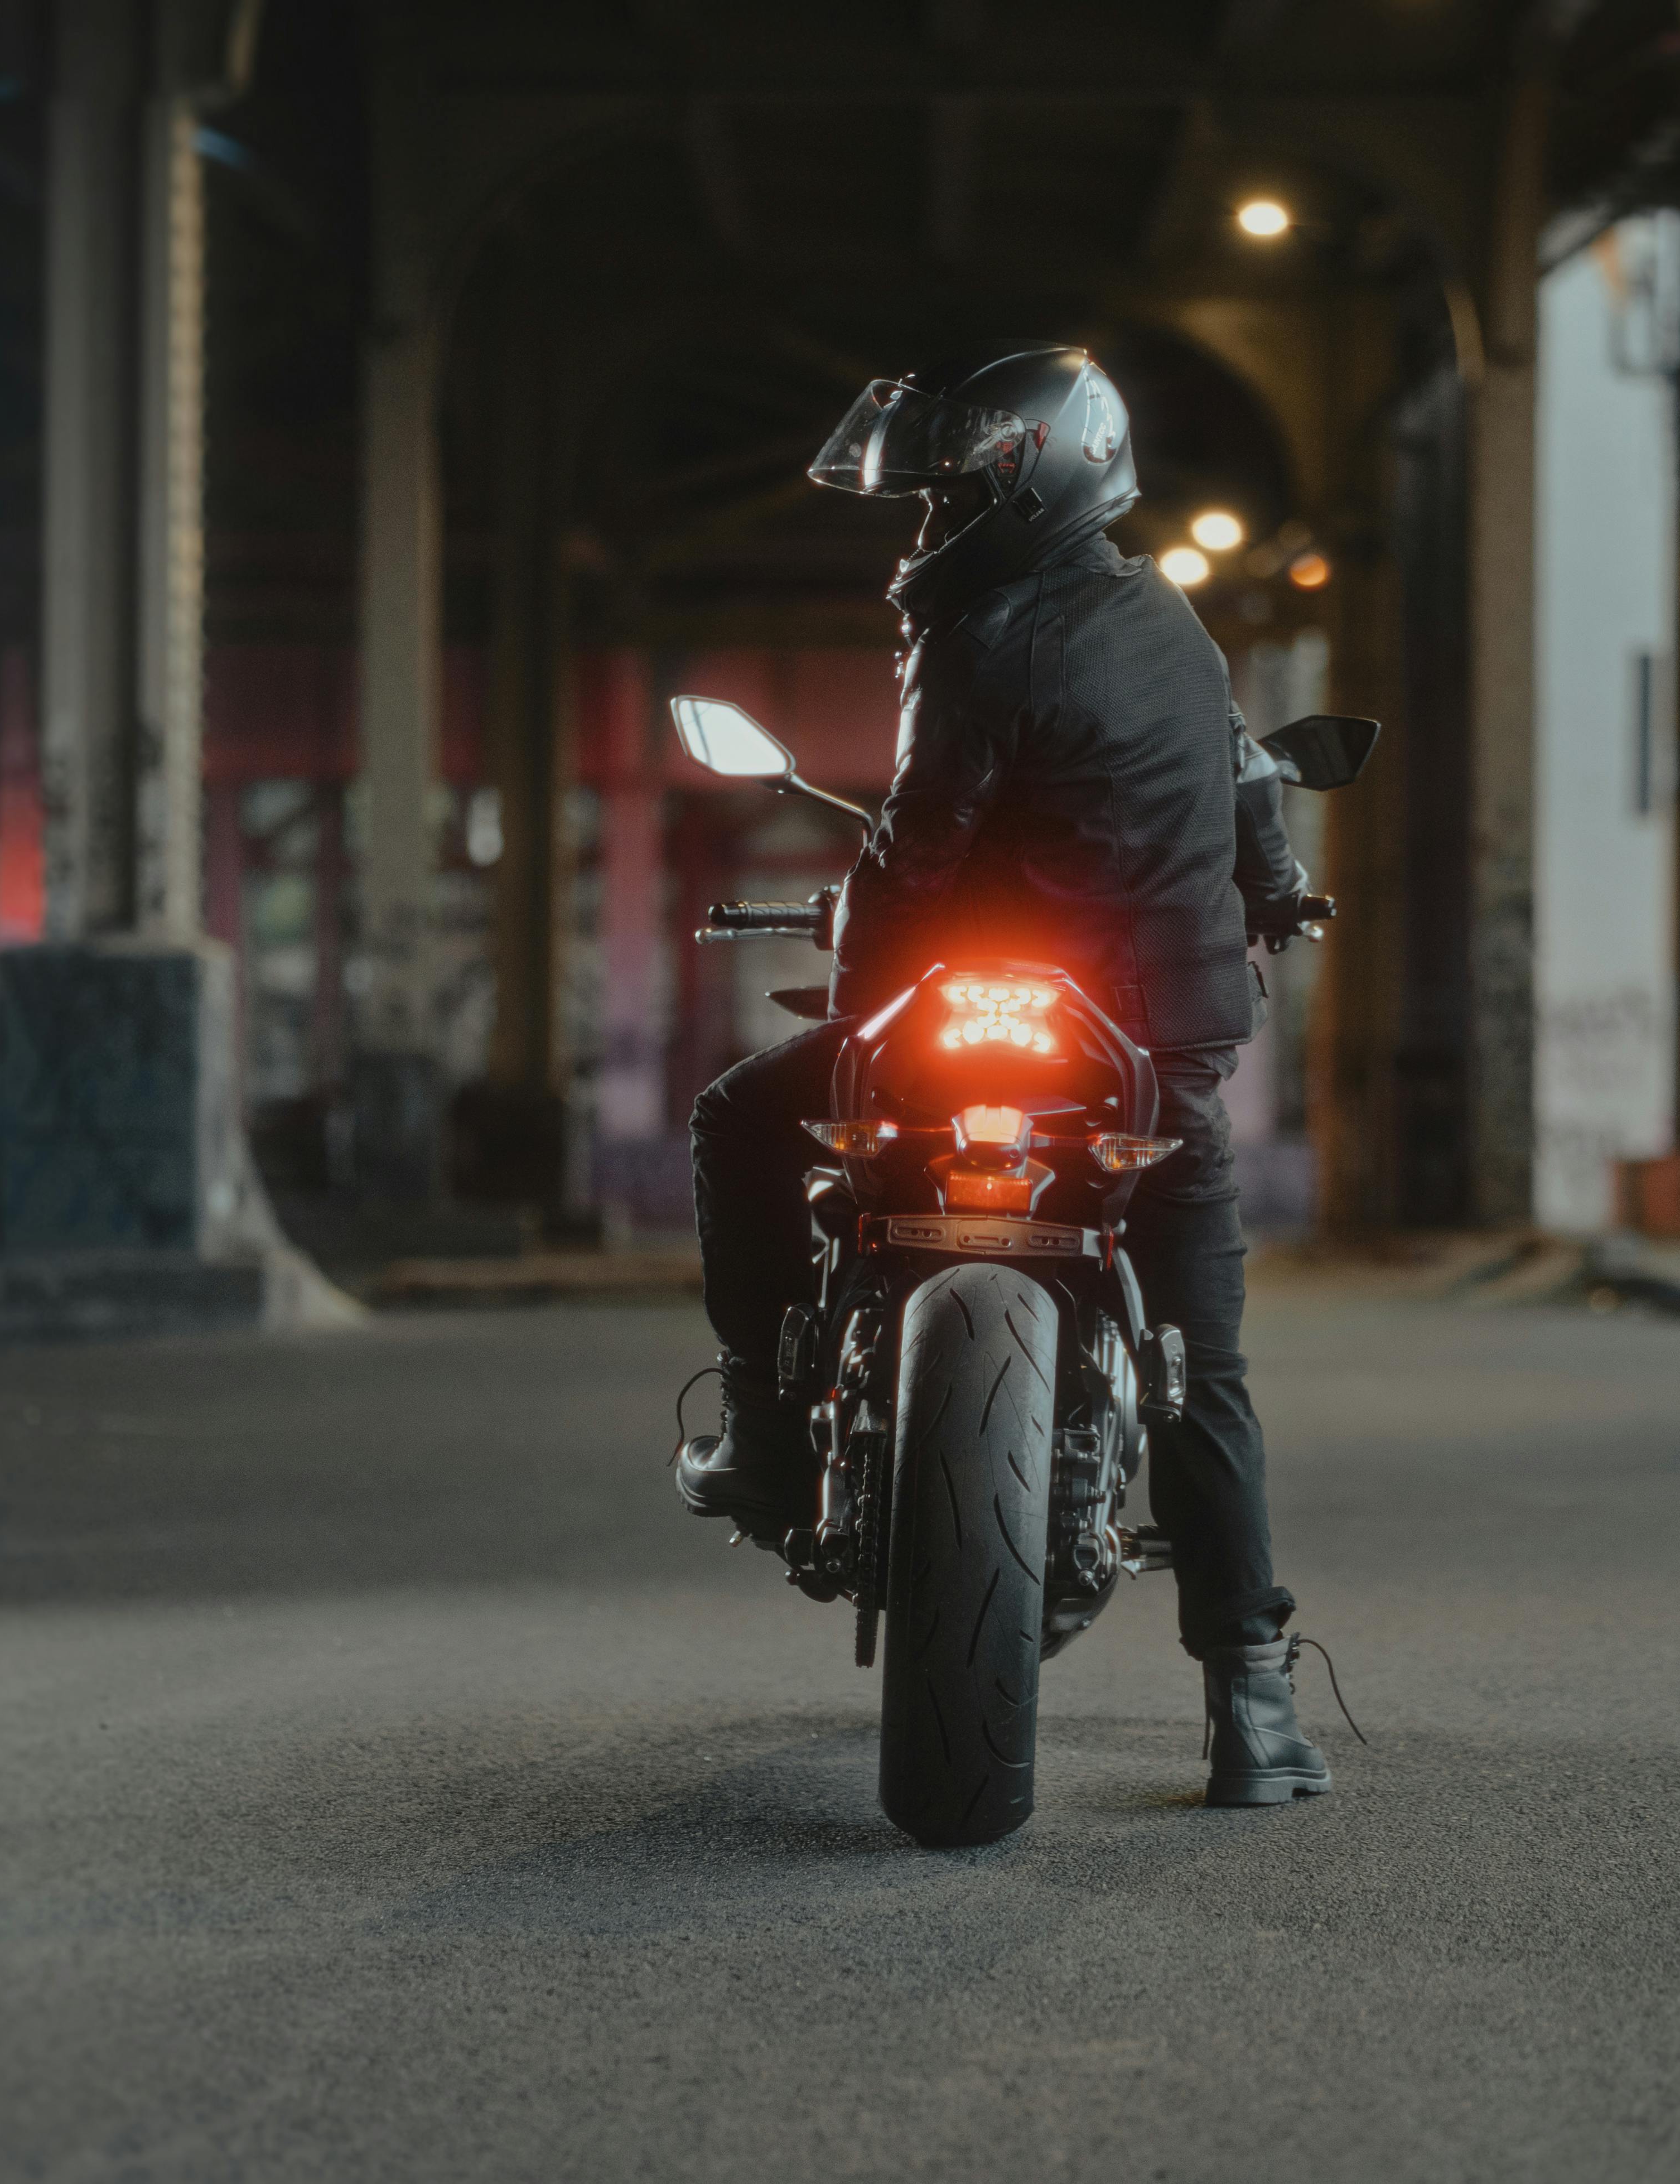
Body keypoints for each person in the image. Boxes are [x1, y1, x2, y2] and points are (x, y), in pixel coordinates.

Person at [671, 345, 1332, 1803]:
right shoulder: (1172, 624)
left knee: (738, 1117)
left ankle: (769, 1444)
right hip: (1153, 1053)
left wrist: (859, 1017)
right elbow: (1245, 777)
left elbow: (915, 852)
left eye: (954, 496)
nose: (931, 527)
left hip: (988, 1021)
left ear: (1032, 484)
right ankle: (1259, 1708)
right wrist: (1275, 893)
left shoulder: (987, 639)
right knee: (1203, 1370)